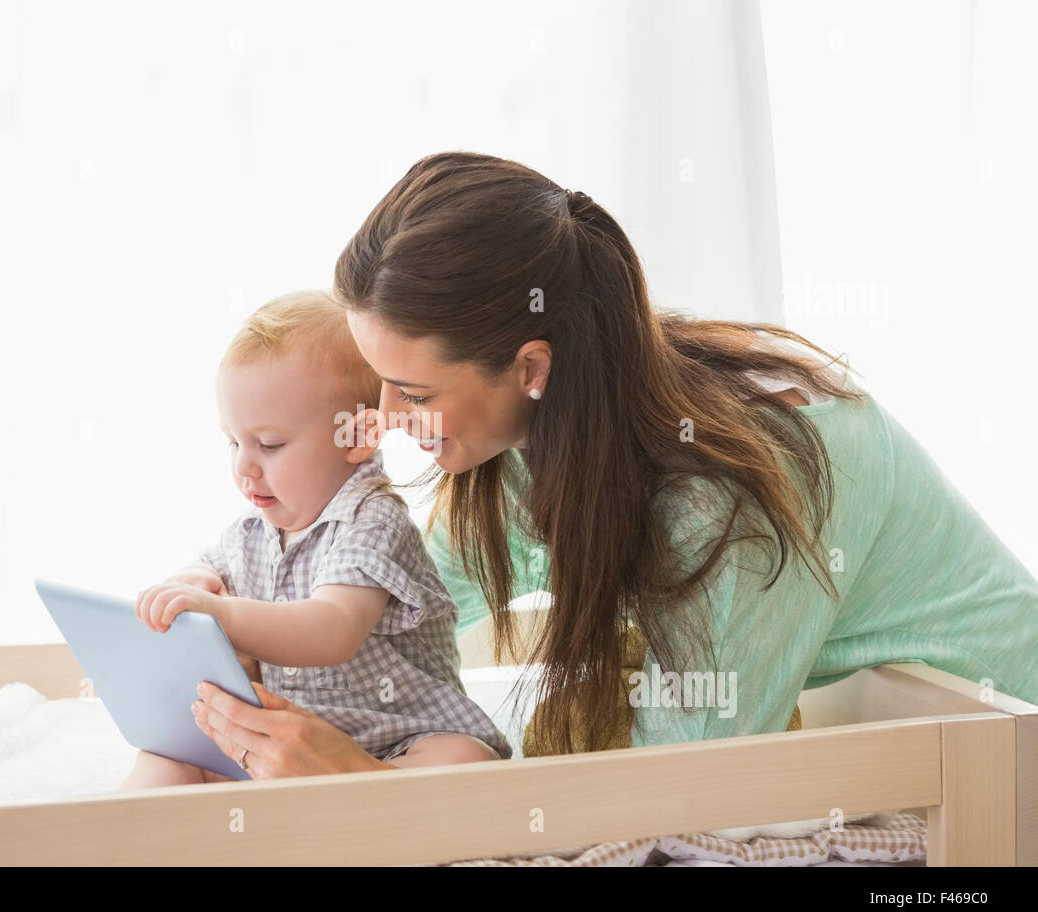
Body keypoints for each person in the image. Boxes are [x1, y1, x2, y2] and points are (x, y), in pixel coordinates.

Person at [188, 150, 1038, 771]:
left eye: (411, 393)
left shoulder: (731, 489)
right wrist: (243, 626)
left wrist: (359, 780)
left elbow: (687, 776)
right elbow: (403, 597)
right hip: (893, 724)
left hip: (1002, 745)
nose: (380, 422)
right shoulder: (537, 435)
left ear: (528, 366)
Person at [118, 289, 510, 789]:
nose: (244, 466)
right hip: (285, 748)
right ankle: (122, 836)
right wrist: (195, 582)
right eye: (233, 442)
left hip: (399, 741)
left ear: (359, 437)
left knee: (464, 761)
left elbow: (330, 629)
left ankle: (377, 801)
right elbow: (210, 573)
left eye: (270, 444)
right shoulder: (250, 532)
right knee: (167, 755)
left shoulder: (373, 520)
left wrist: (219, 613)